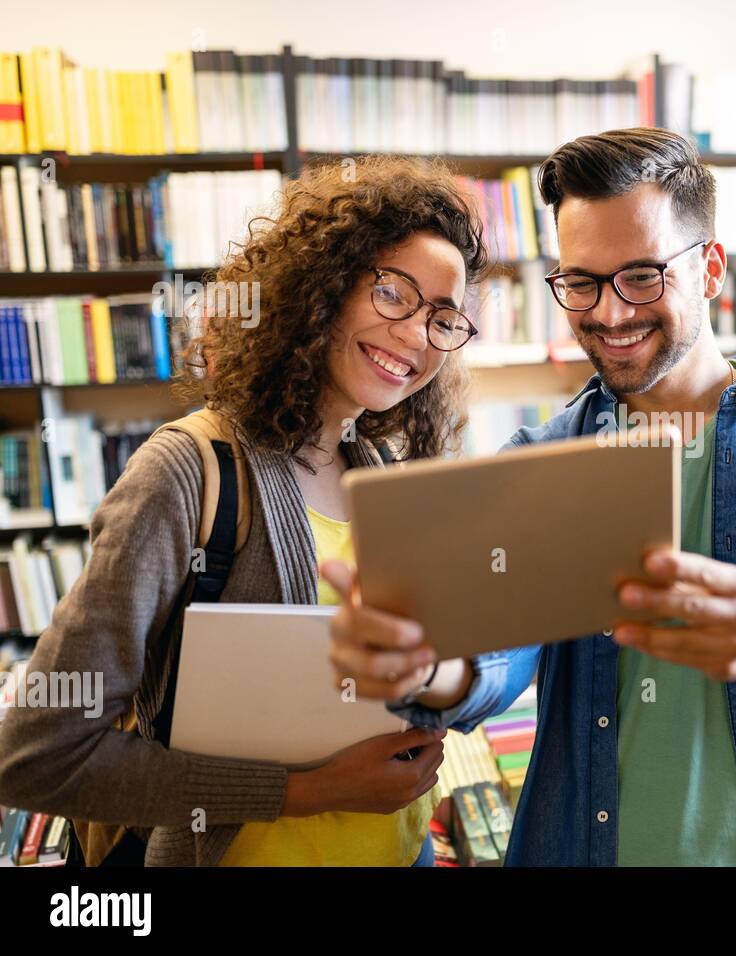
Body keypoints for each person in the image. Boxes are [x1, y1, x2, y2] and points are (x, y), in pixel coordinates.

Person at [323, 128, 736, 866]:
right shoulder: (543, 462)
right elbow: (502, 647)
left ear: (712, 269)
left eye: (641, 276)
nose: (607, 313)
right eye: (582, 282)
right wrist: (431, 669)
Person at [0, 155, 483, 866]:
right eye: (392, 293)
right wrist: (309, 790)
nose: (416, 336)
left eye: (444, 317)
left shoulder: (380, 473)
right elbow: (37, 754)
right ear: (320, 287)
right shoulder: (185, 474)